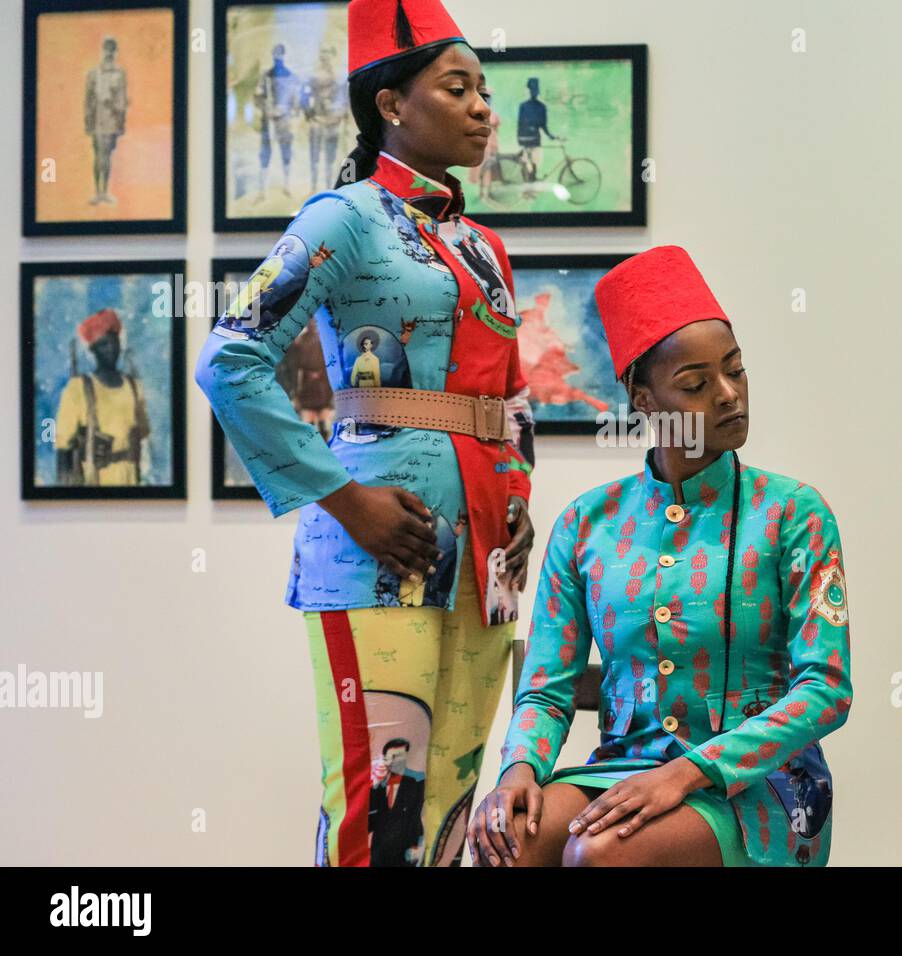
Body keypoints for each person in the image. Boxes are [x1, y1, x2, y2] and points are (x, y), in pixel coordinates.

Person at [195, 0, 536, 867]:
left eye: (484, 91)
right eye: (457, 88)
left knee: (456, 805)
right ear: (390, 103)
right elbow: (229, 359)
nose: (483, 108)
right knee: (382, 810)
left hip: (489, 554)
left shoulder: (486, 248)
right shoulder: (342, 218)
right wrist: (348, 504)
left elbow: (514, 394)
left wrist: (521, 502)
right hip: (379, 553)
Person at [467, 246, 853, 868]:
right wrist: (519, 767)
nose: (729, 395)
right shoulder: (587, 523)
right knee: (503, 840)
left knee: (598, 854)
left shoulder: (794, 513)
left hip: (759, 789)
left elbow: (827, 689)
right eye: (696, 384)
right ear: (642, 399)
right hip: (622, 772)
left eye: (736, 369)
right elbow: (545, 690)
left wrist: (688, 773)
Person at [55, 309, 150, 487]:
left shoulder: (134, 387)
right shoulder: (78, 389)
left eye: (115, 342)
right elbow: (64, 446)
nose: (112, 349)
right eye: (104, 344)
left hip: (131, 481)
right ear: (94, 350)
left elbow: (143, 433)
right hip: (94, 483)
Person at [84, 36, 127, 206]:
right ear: (102, 51)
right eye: (106, 49)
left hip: (112, 119)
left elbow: (122, 99)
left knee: (107, 155)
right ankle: (98, 192)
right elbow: (88, 99)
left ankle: (105, 191)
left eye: (112, 49)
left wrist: (121, 121)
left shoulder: (119, 73)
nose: (109, 53)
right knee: (98, 155)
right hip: (97, 119)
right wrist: (87, 121)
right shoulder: (93, 73)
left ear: (115, 52)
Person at [301, 45, 349, 194]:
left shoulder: (339, 76)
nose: (325, 56)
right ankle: (314, 187)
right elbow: (304, 94)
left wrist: (341, 113)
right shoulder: (312, 75)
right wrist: (309, 112)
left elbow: (345, 97)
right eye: (322, 53)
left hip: (333, 120)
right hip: (316, 119)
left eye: (327, 53)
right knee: (314, 155)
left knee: (331, 156)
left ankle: (329, 187)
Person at [254, 43, 300, 201]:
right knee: (264, 155)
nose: (277, 57)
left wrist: (288, 112)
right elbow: (258, 97)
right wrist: (267, 109)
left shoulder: (292, 77)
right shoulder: (266, 77)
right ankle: (262, 191)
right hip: (268, 121)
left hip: (284, 122)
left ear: (284, 55)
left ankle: (286, 186)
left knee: (286, 153)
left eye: (280, 54)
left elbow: (296, 102)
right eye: (275, 54)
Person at [369, 738, 426, 866]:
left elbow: (424, 817)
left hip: (406, 855)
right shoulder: (378, 786)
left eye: (401, 756)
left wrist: (421, 846)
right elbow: (368, 822)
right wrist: (375, 786)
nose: (397, 760)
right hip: (379, 856)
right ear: (385, 759)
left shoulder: (417, 784)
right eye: (393, 757)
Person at [517, 77, 559, 183]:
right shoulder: (542, 107)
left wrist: (519, 138)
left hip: (524, 139)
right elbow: (543, 126)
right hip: (534, 140)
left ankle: (529, 181)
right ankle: (531, 181)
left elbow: (520, 124)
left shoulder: (523, 106)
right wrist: (550, 136)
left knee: (528, 163)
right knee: (534, 162)